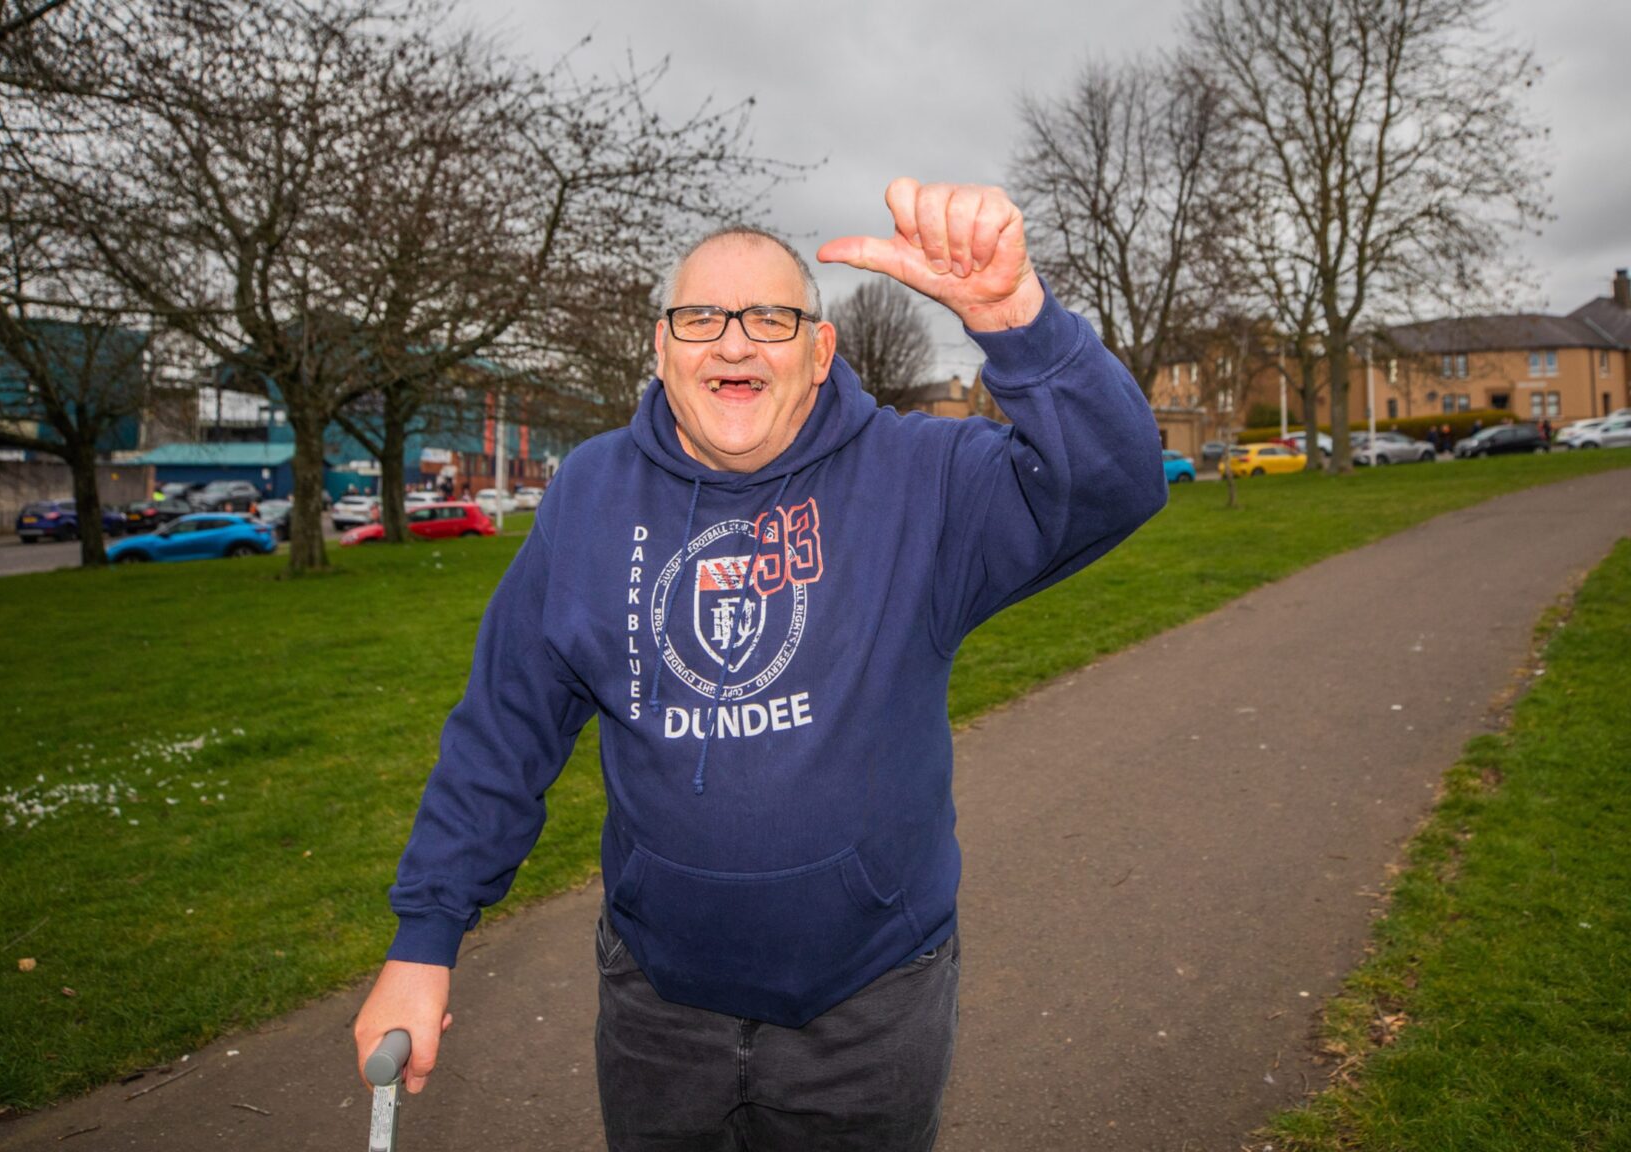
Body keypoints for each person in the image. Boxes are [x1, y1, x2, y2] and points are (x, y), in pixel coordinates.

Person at [352, 179, 1167, 1151]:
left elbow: (1116, 480)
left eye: (770, 319)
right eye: (700, 318)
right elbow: (505, 726)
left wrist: (1016, 319)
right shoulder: (590, 494)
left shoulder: (919, 478)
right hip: (658, 1002)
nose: (733, 344)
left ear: (820, 353)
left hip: (871, 1001)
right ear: (660, 349)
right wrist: (425, 937)